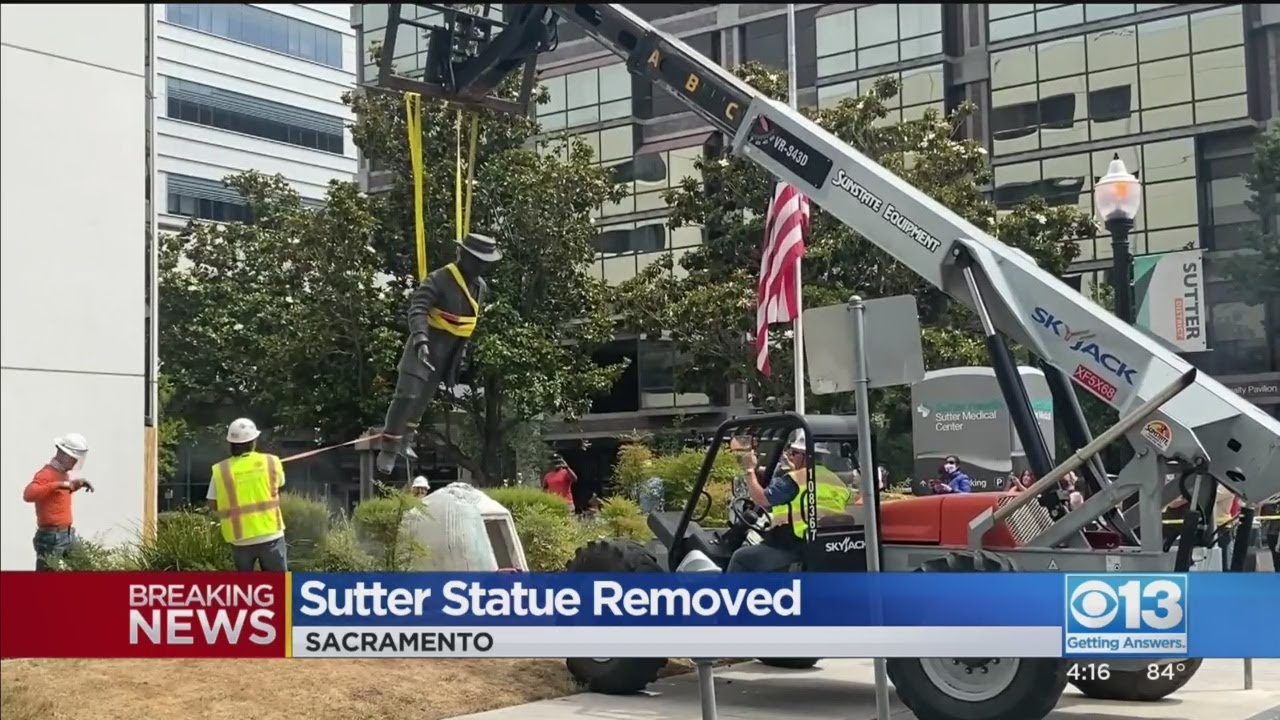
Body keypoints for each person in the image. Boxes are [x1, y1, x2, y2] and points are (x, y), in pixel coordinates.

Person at [377, 233, 502, 475]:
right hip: (423, 347)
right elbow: (418, 310)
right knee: (406, 395)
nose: (480, 267)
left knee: (422, 400)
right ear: (462, 255)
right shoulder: (438, 279)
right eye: (477, 261)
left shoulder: (480, 287)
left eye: (485, 263)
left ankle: (407, 439)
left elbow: (468, 323)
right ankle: (388, 448)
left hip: (448, 353)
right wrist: (421, 340)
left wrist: (462, 355)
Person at [727, 431, 851, 572]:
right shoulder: (836, 481)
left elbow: (761, 499)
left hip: (793, 549)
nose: (791, 457)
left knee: (740, 558)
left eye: (794, 453)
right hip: (823, 548)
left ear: (804, 455)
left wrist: (749, 469)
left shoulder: (794, 480)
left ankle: (731, 594)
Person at [207, 418, 288, 571]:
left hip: (239, 539)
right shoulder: (272, 461)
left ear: (231, 443)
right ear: (254, 441)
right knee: (279, 588)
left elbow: (212, 503)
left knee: (246, 590)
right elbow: (279, 485)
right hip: (271, 534)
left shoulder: (221, 470)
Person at [23, 434, 93, 570]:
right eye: (73, 459)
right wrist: (57, 484)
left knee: (85, 568)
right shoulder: (46, 474)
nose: (74, 463)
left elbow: (59, 494)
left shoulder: (62, 473)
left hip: (68, 534)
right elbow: (28, 494)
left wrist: (77, 484)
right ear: (63, 455)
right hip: (51, 538)